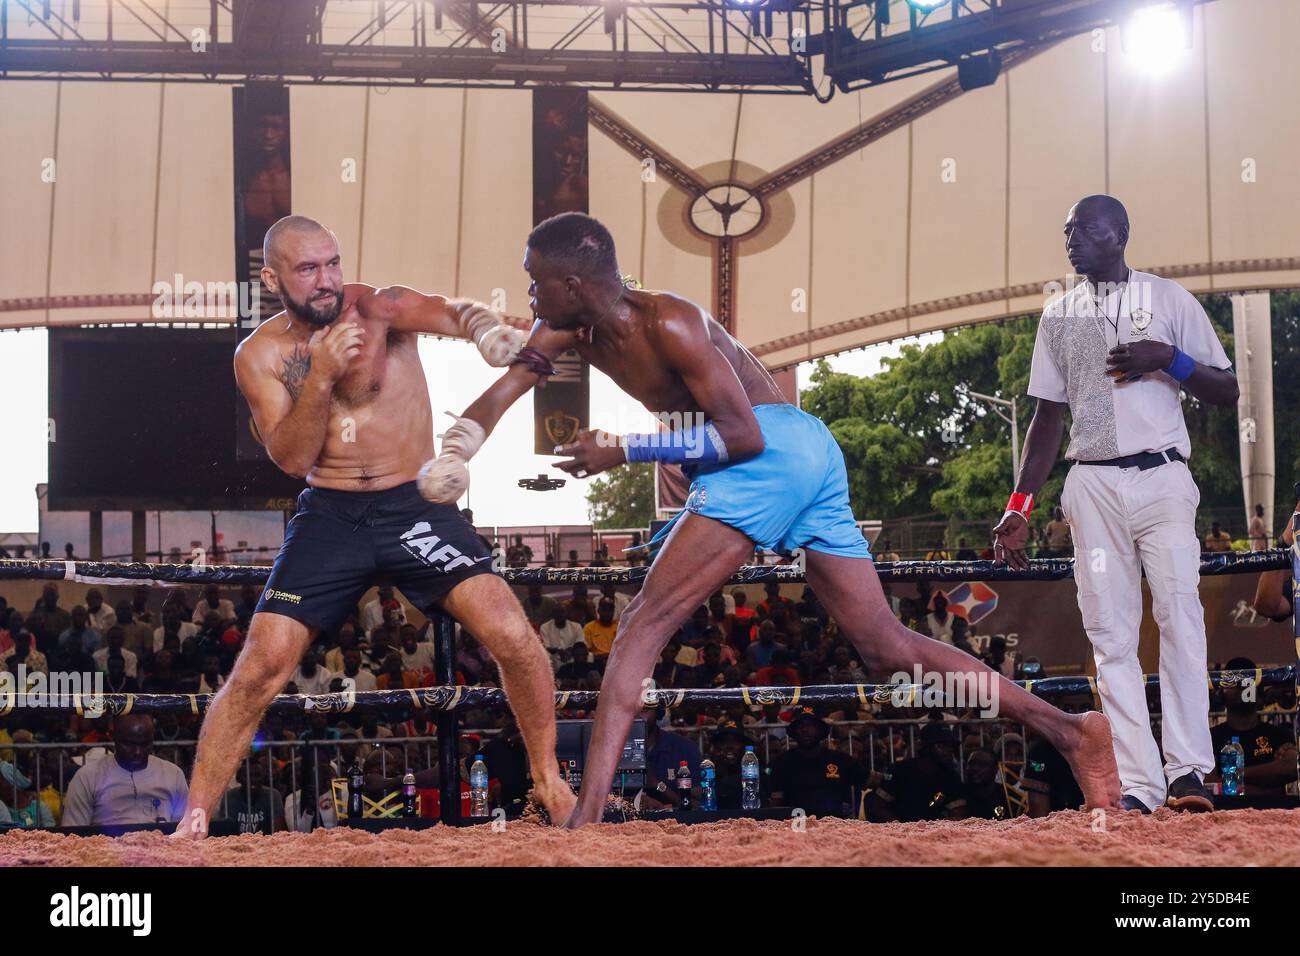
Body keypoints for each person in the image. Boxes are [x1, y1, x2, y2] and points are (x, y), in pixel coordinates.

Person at [447, 211, 1119, 826]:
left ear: (571, 282)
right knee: (887, 648)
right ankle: (1070, 729)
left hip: (767, 449)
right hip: (805, 455)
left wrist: (626, 448)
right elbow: (503, 390)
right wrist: (454, 452)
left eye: (535, 283)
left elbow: (744, 437)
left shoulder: (670, 322)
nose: (529, 296)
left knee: (640, 625)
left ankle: (584, 822)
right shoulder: (564, 327)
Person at [175, 215, 575, 837]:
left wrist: (490, 334)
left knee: (513, 635)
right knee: (260, 667)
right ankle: (194, 821)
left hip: (414, 506)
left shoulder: (378, 308)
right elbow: (292, 458)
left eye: (332, 263)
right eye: (308, 269)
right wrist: (325, 374)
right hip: (330, 516)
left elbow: (455, 311)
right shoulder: (260, 355)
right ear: (272, 277)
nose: (327, 280)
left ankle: (550, 783)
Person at [992, 195, 1238, 815]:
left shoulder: (1171, 301)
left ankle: (1189, 775)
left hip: (1162, 479)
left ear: (1121, 232)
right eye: (1066, 230)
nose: (1070, 238)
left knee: (1181, 616)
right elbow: (1047, 419)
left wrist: (1170, 360)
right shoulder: (1057, 316)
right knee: (1109, 633)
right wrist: (1020, 503)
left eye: (1083, 228)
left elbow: (1228, 390)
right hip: (1092, 486)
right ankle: (1138, 784)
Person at [62, 715, 189, 828]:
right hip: (105, 852)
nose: (138, 752)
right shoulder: (87, 777)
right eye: (129, 744)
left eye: (145, 744)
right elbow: (73, 833)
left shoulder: (173, 775)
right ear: (113, 737)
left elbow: (185, 832)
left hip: (164, 850)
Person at [1204, 657, 1298, 799]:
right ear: (1221, 692)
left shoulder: (1278, 734)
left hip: (1273, 814)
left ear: (1259, 695)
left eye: (1247, 683)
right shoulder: (1211, 738)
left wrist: (1234, 774)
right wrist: (1268, 788)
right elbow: (1209, 782)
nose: (1241, 688)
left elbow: (1291, 768)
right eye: (1233, 683)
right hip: (1223, 814)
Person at [769, 707, 866, 818]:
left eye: (810, 725)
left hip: (834, 827)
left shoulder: (840, 760)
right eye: (800, 726)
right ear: (794, 731)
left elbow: (869, 780)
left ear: (820, 730)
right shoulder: (781, 762)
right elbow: (775, 804)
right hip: (794, 827)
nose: (805, 730)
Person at [864, 722, 967, 822]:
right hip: (897, 833)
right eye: (942, 745)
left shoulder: (951, 777)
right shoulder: (898, 771)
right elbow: (878, 807)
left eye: (950, 746)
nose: (949, 750)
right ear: (927, 747)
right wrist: (902, 830)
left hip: (932, 833)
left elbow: (957, 814)